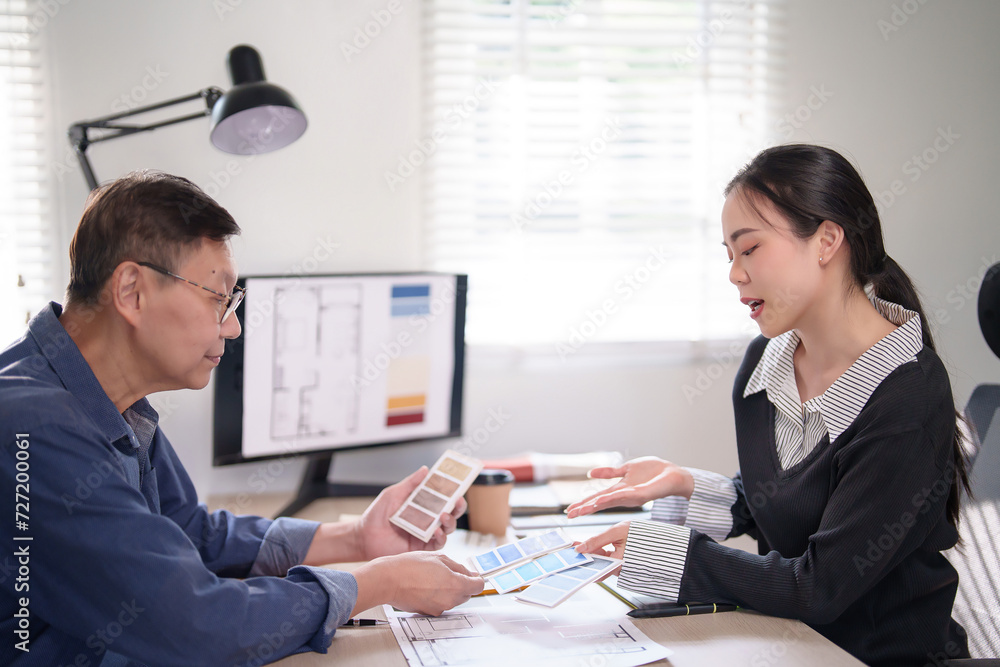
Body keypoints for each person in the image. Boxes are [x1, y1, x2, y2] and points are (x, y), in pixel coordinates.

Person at [0, 171, 484, 666]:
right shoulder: (34, 424)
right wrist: (380, 581)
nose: (231, 327)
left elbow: (189, 531)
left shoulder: (108, 400)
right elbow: (193, 622)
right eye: (217, 298)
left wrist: (356, 537)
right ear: (132, 291)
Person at [568, 144, 971, 666]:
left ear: (826, 241)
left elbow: (819, 587)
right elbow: (793, 509)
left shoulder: (907, 394)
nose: (734, 273)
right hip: (787, 645)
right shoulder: (766, 365)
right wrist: (687, 483)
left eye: (750, 249)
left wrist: (669, 554)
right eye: (729, 255)